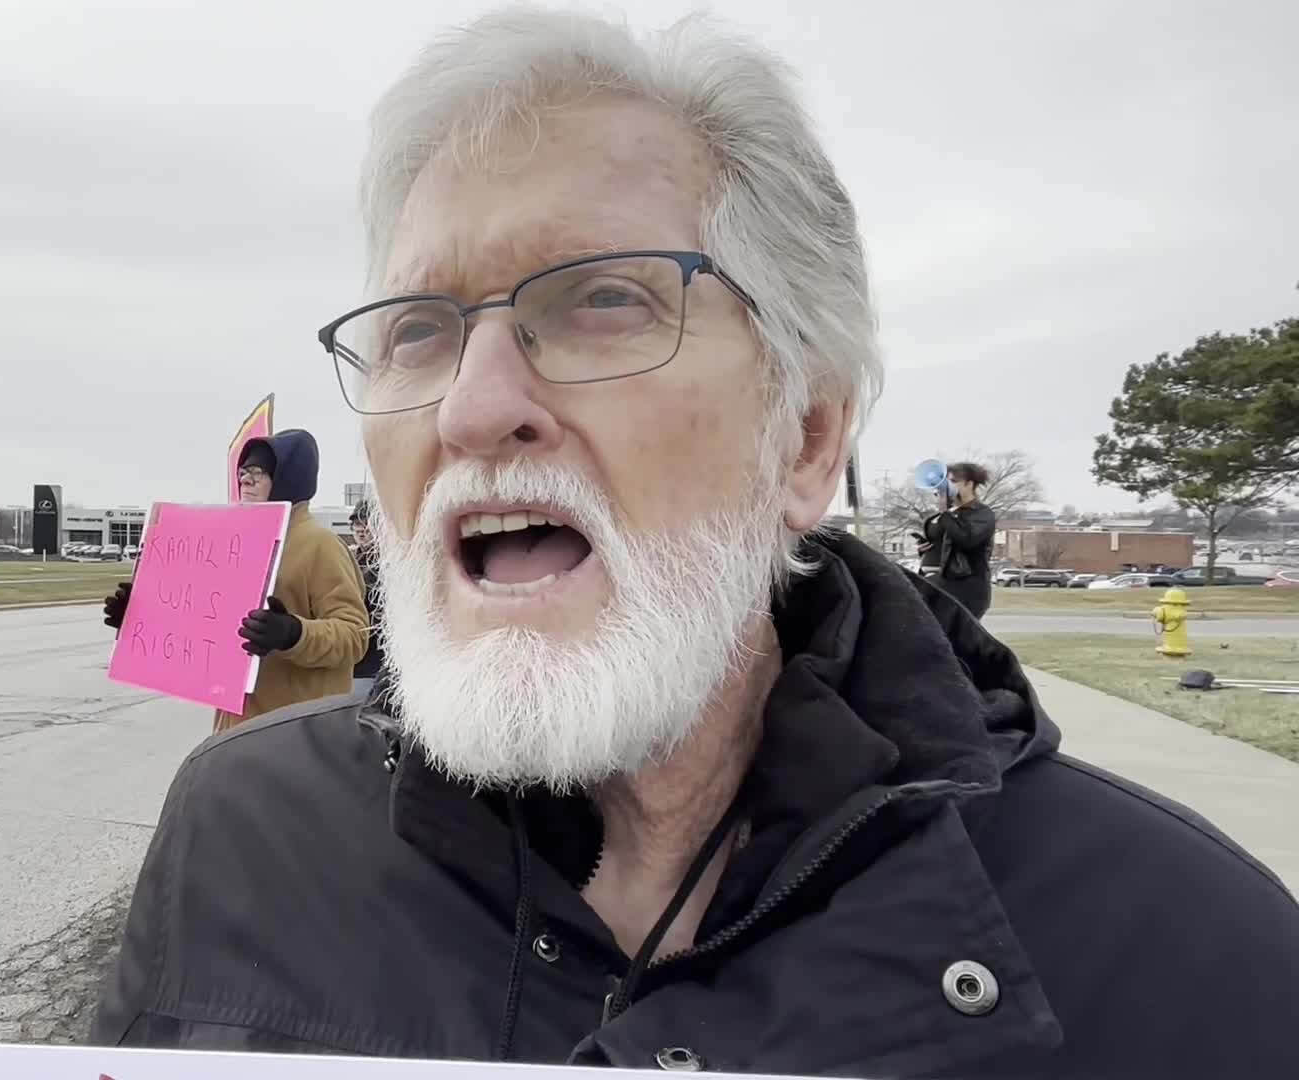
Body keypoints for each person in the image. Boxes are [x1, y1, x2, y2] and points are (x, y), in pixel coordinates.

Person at [91, 10, 1299, 1076]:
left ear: (807, 440)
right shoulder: (234, 833)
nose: (471, 407)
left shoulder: (1192, 953)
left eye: (605, 298)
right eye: (417, 329)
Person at [102, 429, 368, 732]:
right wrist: (143, 617)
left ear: (289, 478)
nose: (245, 480)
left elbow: (354, 636)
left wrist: (293, 633)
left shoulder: (320, 544)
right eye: (243, 472)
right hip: (236, 729)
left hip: (296, 734)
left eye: (259, 472)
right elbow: (205, 616)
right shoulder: (238, 543)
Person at [919, 461, 998, 619]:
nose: (948, 486)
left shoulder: (981, 514)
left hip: (964, 588)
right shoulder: (938, 517)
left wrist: (945, 512)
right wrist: (922, 549)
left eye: (954, 481)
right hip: (934, 583)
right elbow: (942, 543)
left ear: (969, 484)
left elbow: (967, 539)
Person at [349, 500, 384, 697]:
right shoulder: (348, 557)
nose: (362, 530)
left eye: (367, 524)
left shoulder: (387, 561)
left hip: (375, 657)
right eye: (357, 524)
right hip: (353, 657)